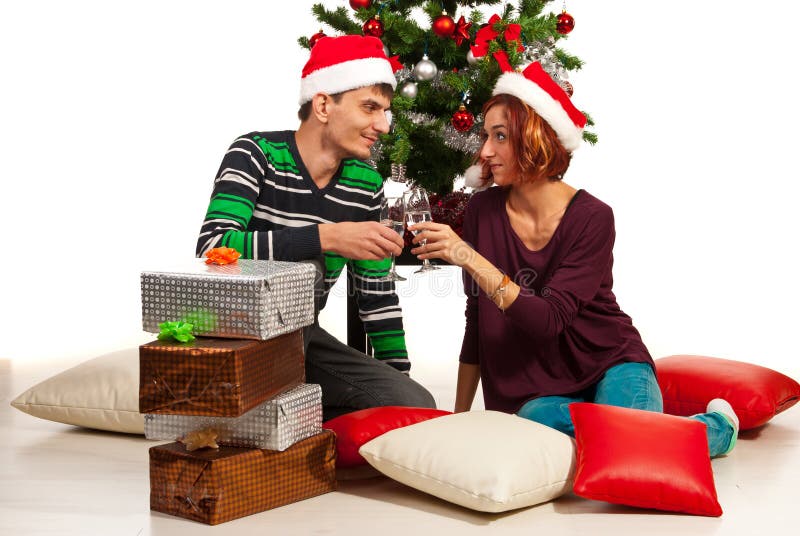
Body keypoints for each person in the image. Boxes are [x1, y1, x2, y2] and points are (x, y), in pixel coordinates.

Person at [408, 62, 738, 457]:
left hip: (612, 361)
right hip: (537, 393)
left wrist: (465, 255)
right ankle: (644, 425)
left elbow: (548, 321)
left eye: (500, 137)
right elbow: (477, 319)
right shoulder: (483, 210)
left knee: (629, 442)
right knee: (540, 421)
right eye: (485, 136)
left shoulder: (593, 217)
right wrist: (457, 417)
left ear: (535, 139)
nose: (485, 152)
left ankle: (718, 428)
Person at [195, 34, 436, 421]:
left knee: (415, 404)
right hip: (232, 336)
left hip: (299, 341)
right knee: (311, 268)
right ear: (323, 104)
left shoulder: (365, 184)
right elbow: (213, 246)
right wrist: (327, 237)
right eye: (370, 108)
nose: (383, 126)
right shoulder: (255, 154)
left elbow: (376, 294)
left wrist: (395, 385)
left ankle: (282, 411)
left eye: (385, 112)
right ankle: (265, 406)